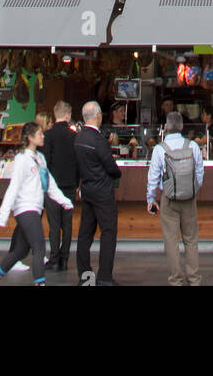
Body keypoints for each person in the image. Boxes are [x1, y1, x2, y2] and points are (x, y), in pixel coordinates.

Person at [0, 120, 72, 286]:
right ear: (30, 138)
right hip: (25, 209)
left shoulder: (40, 158)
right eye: (39, 134)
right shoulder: (22, 159)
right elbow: (13, 188)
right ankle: (40, 284)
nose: (43, 136)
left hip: (35, 208)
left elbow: (49, 183)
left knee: (20, 251)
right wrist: (3, 214)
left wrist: (64, 201)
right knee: (39, 248)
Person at [147, 109, 204, 286]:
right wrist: (192, 190)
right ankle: (194, 279)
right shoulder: (193, 146)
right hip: (189, 199)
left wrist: (150, 198)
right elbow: (200, 173)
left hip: (169, 199)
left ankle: (176, 279)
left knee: (171, 241)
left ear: (166, 127)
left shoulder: (159, 149)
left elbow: (153, 177)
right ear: (181, 127)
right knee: (191, 240)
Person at [75, 100, 122, 286]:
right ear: (97, 116)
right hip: (102, 192)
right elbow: (111, 166)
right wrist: (117, 173)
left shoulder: (78, 138)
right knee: (108, 233)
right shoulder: (98, 140)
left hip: (87, 190)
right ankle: (104, 277)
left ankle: (85, 276)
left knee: (85, 234)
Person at [43, 100, 77, 272]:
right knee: (67, 224)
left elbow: (45, 163)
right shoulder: (74, 135)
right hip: (70, 185)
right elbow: (78, 161)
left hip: (53, 186)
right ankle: (64, 259)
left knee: (54, 224)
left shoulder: (48, 136)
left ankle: (54, 258)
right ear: (68, 115)